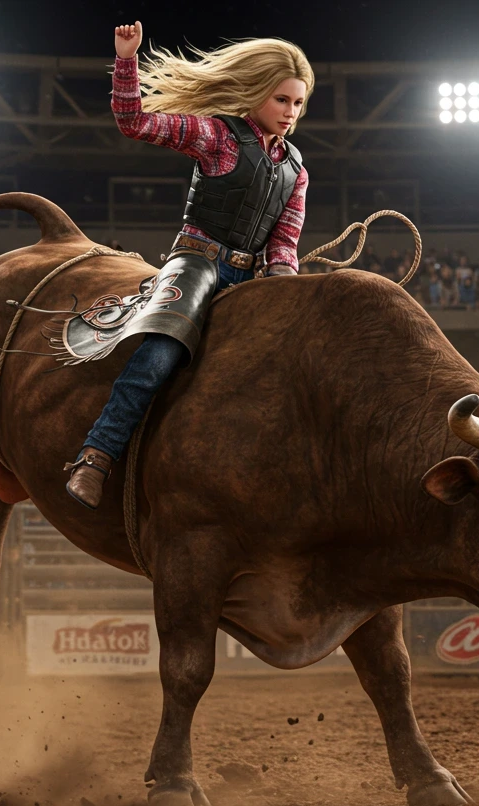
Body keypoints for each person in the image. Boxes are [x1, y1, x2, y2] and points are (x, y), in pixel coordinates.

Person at [64, 20, 313, 509]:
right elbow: (134, 122)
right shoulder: (218, 135)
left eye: (298, 103)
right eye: (282, 99)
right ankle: (96, 454)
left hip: (251, 277)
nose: (290, 112)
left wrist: (284, 286)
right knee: (158, 358)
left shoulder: (296, 170)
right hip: (195, 262)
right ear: (257, 93)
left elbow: (284, 243)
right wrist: (126, 59)